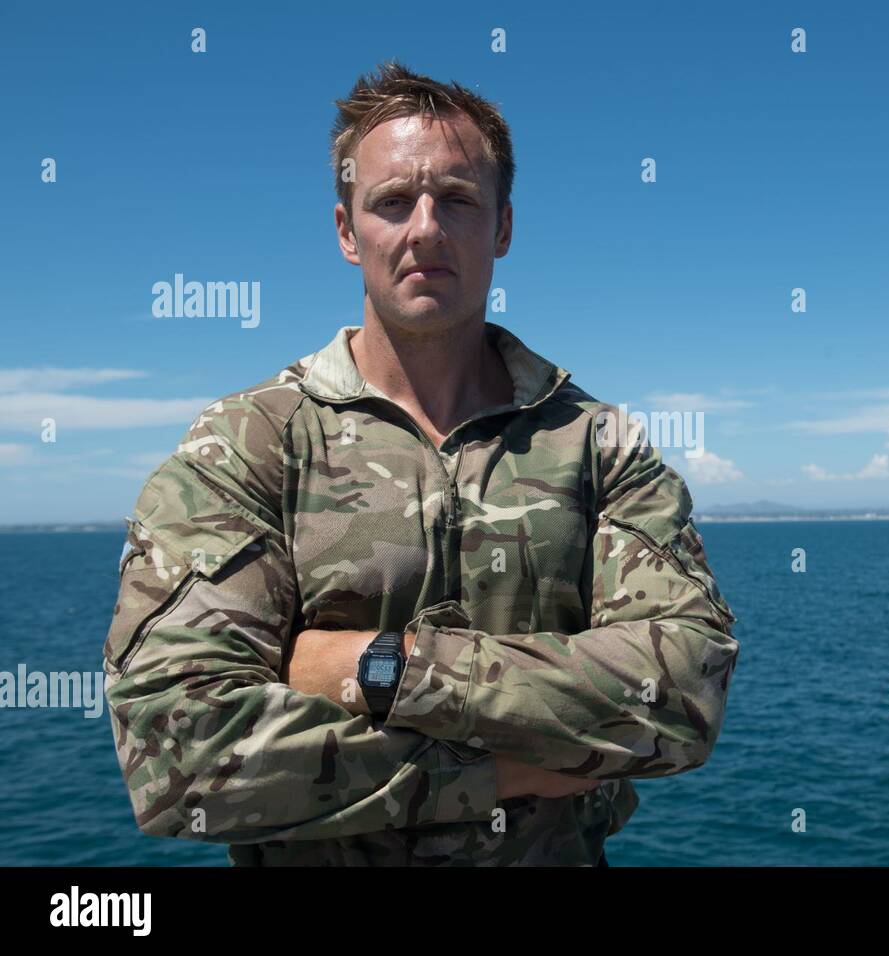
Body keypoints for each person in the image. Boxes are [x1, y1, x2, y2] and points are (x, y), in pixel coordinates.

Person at [102, 60, 739, 866]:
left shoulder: (597, 445)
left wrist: (378, 669)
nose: (426, 228)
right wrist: (498, 771)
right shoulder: (247, 444)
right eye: (393, 201)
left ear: (503, 227)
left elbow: (686, 692)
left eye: (459, 200)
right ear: (346, 230)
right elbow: (177, 758)